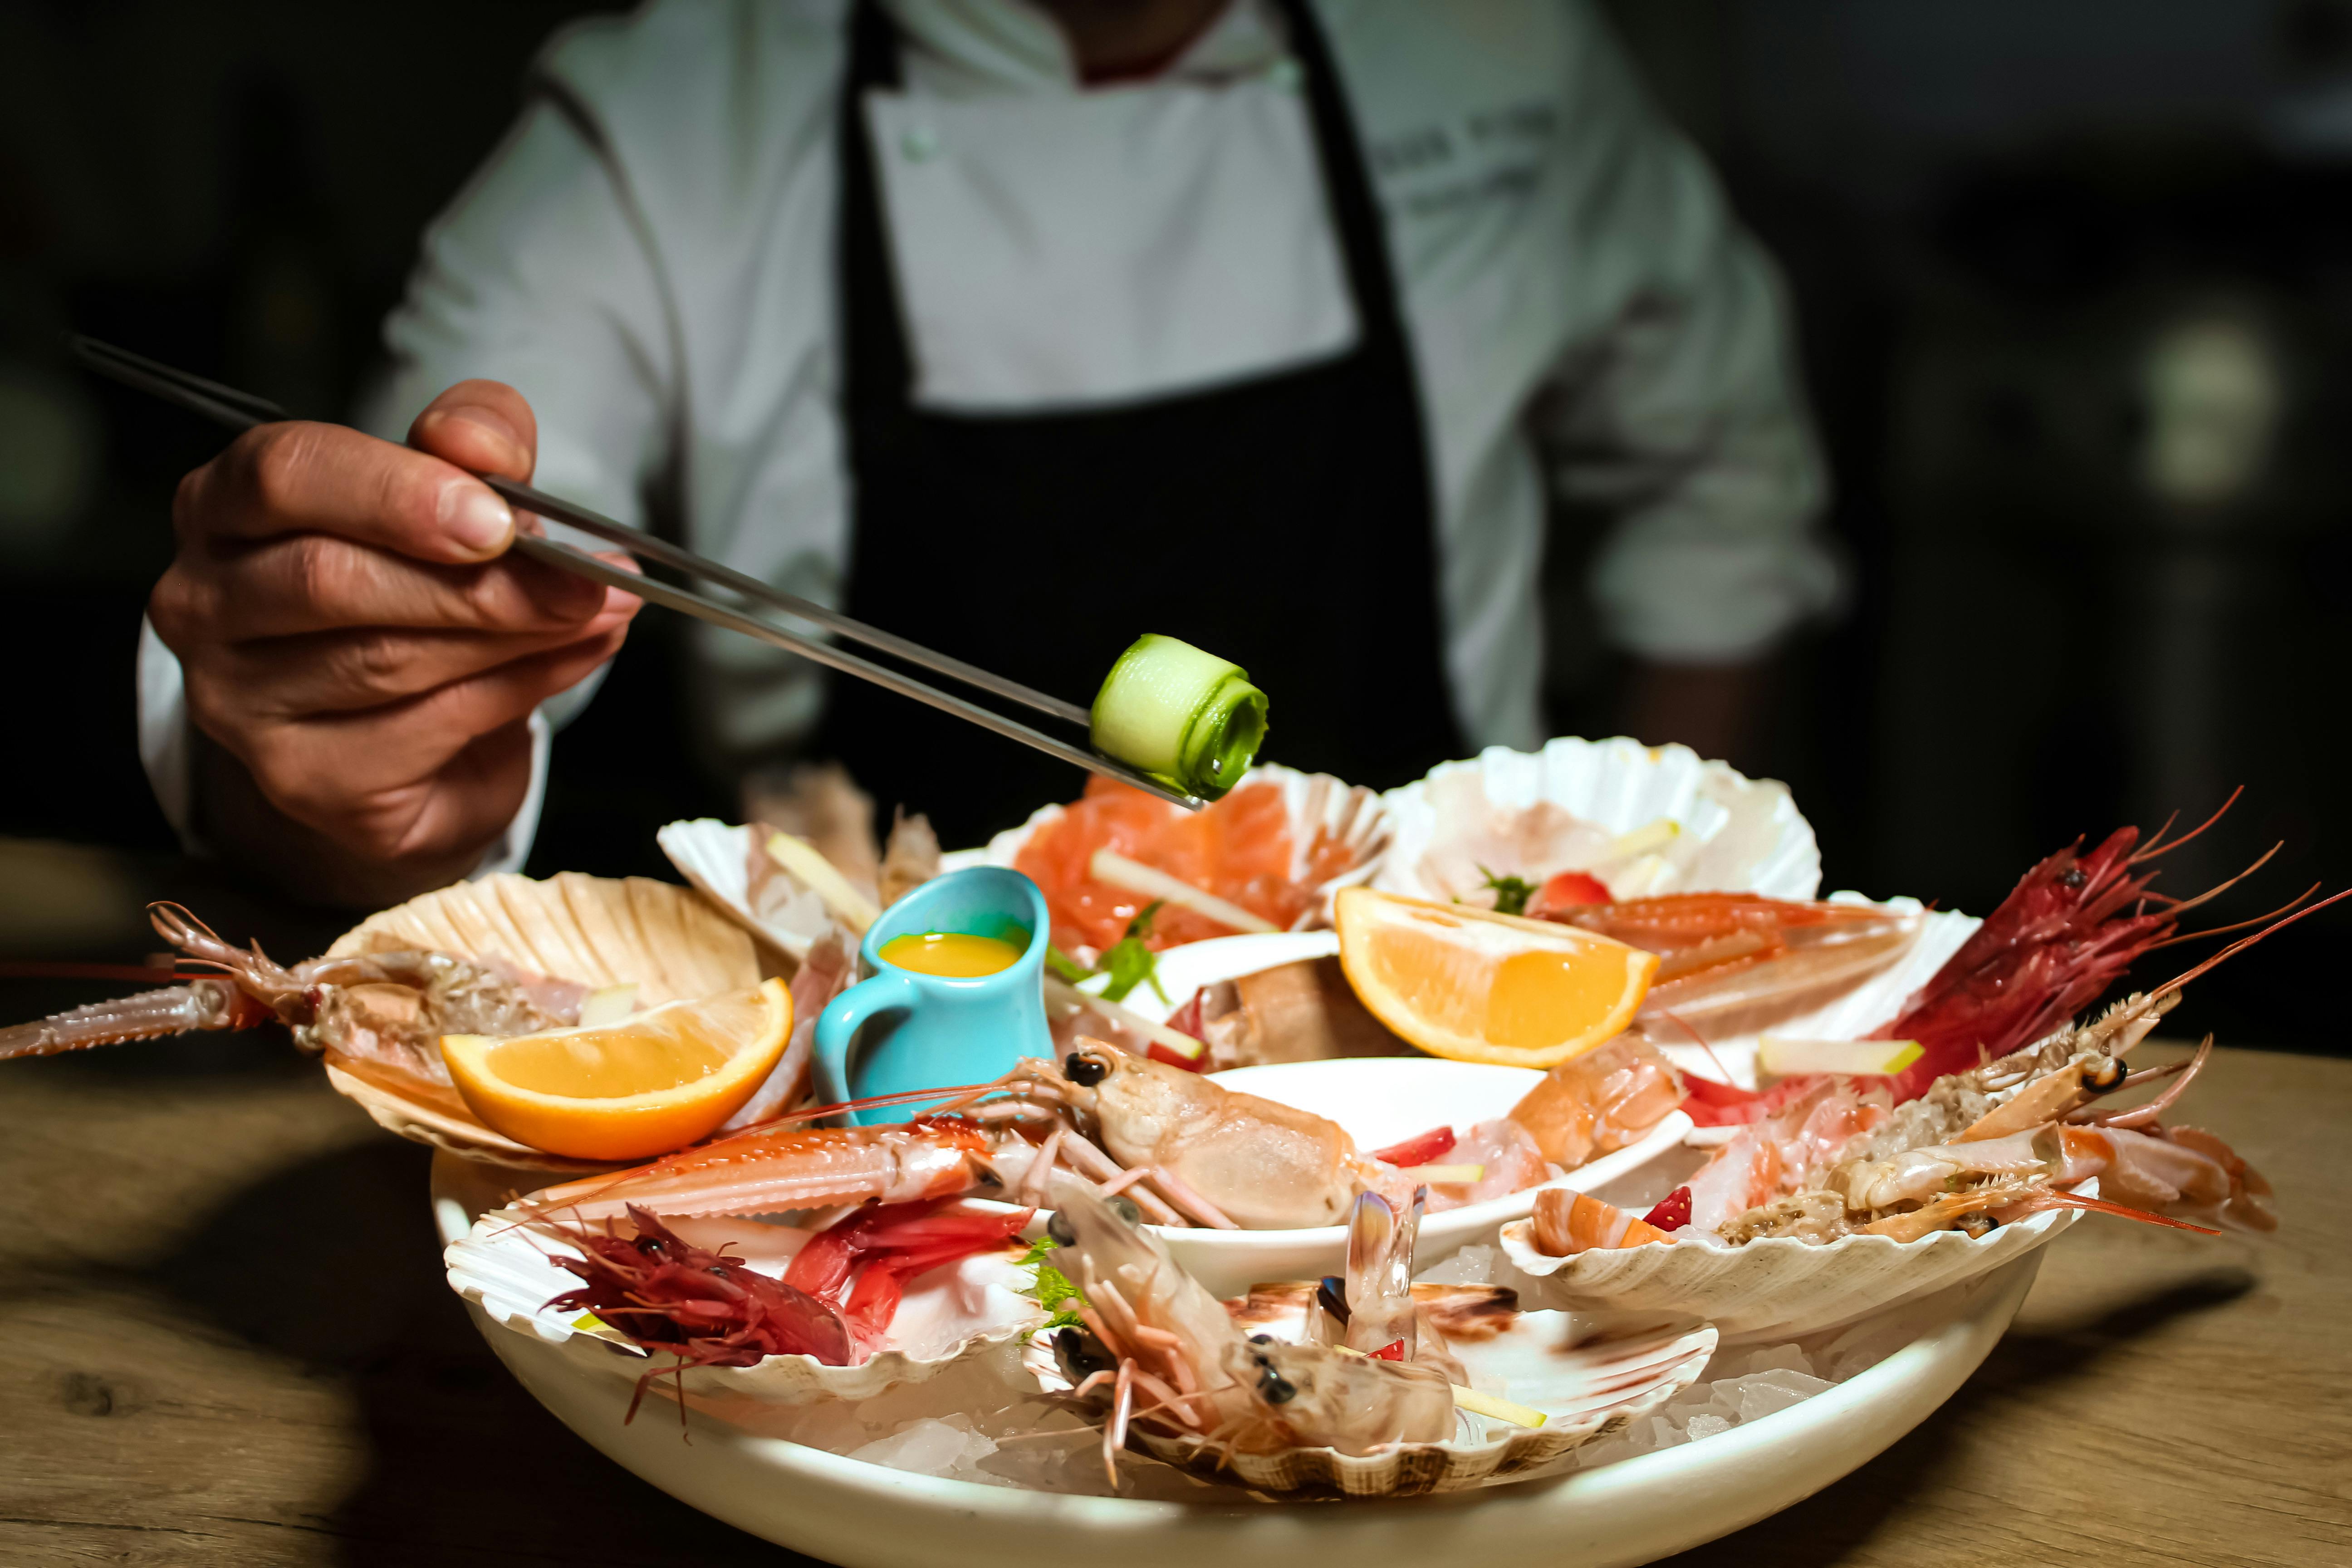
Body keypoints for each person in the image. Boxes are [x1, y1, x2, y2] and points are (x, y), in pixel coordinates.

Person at [142, 0, 1837, 907]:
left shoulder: (1505, 45)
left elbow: (1723, 501)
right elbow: (394, 647)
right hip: (890, 1064)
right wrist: (347, 719)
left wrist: (1616, 926)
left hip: (1435, 1032)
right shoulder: (666, 111)